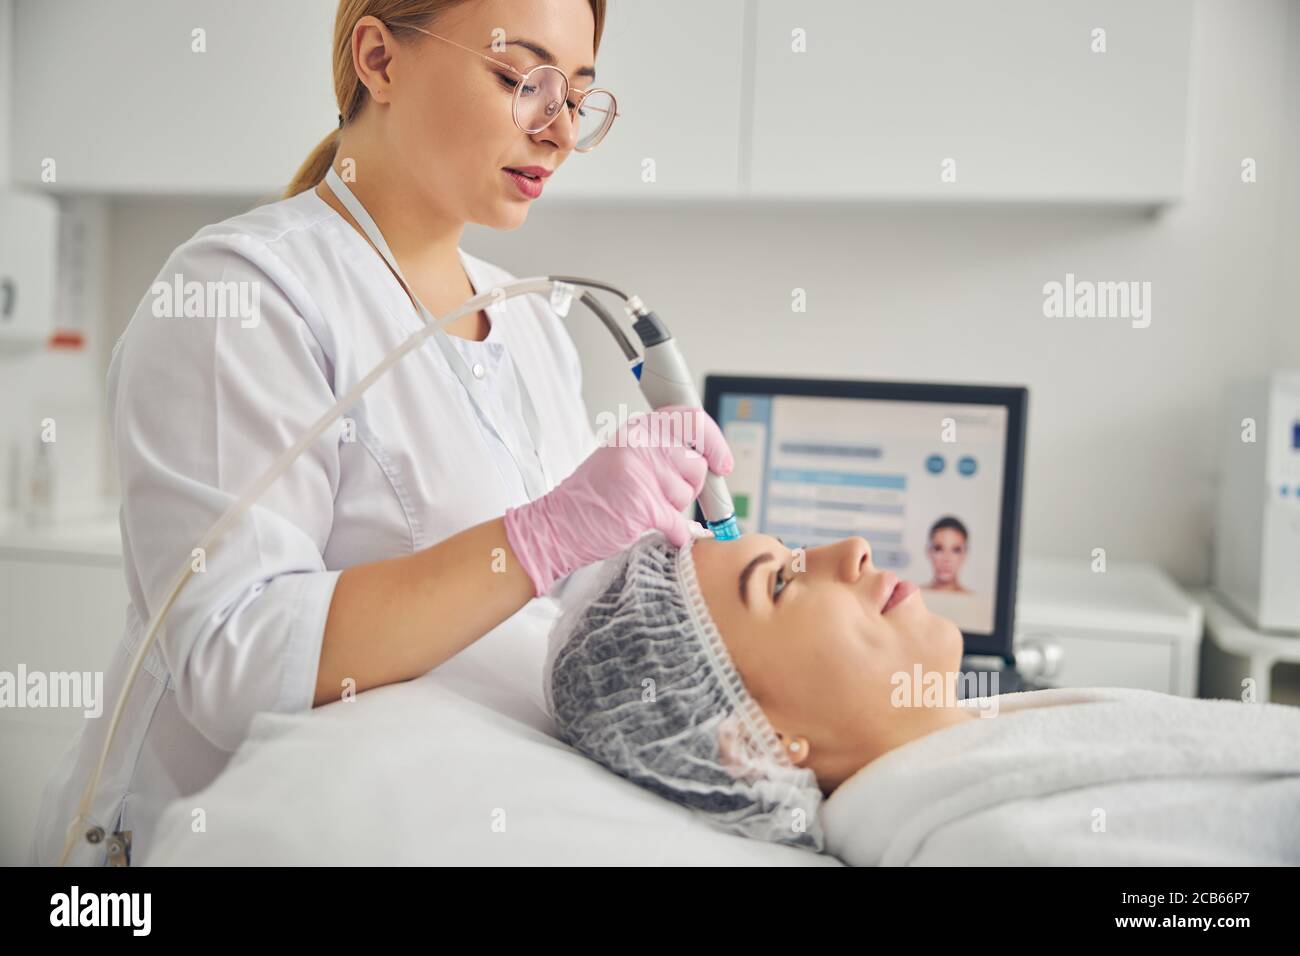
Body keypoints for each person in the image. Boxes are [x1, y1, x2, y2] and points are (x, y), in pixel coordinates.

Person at [29, 0, 734, 866]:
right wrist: (540, 537)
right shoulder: (244, 294)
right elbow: (234, 661)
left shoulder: (530, 323)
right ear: (380, 59)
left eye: (578, 98)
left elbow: (555, 612)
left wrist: (686, 573)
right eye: (522, 80)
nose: (557, 131)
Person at [546, 532, 1300, 862]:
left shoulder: (986, 754)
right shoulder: (998, 847)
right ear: (757, 744)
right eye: (780, 581)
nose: (853, 551)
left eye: (793, 552)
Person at [922, 515, 971, 593]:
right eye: (938, 548)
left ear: (965, 554)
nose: (946, 559)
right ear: (928, 551)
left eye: (956, 550)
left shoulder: (975, 601)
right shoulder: (915, 596)